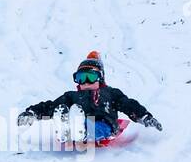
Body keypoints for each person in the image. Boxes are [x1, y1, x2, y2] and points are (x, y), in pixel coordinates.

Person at [17, 51, 162, 143]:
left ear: (100, 78)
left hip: (105, 124)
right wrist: (32, 113)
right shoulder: (72, 96)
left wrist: (144, 116)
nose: (85, 82)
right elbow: (50, 106)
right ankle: (66, 128)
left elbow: (129, 105)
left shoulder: (111, 93)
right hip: (79, 120)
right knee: (61, 107)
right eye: (81, 78)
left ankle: (81, 131)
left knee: (98, 127)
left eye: (90, 77)